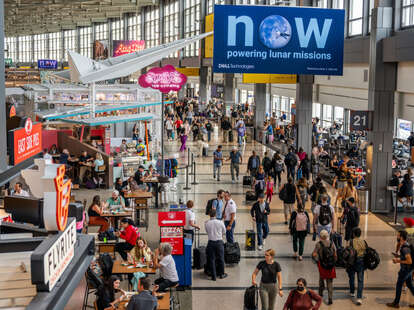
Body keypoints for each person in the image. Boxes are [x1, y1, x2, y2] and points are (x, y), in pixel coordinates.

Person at [387, 230, 414, 308]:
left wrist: (397, 261)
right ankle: (396, 302)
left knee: (399, 285)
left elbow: (409, 261)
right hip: (409, 270)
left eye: (398, 236)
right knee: (409, 284)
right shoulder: (406, 244)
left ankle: (396, 303)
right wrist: (399, 256)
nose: (397, 237)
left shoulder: (404, 248)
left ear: (401, 237)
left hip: (405, 270)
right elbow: (407, 257)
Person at [312, 230, 336, 305]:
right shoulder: (332, 243)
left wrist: (316, 259)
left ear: (321, 236)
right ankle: (330, 298)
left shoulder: (318, 244)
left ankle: (320, 294)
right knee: (330, 282)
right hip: (330, 265)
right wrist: (334, 262)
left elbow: (314, 254)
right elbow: (335, 254)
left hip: (322, 265)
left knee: (321, 280)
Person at [205, 209, 227, 281]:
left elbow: (207, 232)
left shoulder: (207, 223)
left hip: (210, 242)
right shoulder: (220, 222)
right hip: (219, 242)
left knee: (212, 259)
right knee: (221, 258)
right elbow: (224, 231)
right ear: (216, 214)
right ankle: (221, 274)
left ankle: (213, 276)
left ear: (209, 215)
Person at [346, 227, 367, 305]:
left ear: (353, 234)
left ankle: (352, 292)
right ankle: (359, 298)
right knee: (360, 280)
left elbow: (347, 251)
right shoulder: (363, 241)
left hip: (352, 262)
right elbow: (365, 251)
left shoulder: (350, 241)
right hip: (361, 262)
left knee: (351, 277)